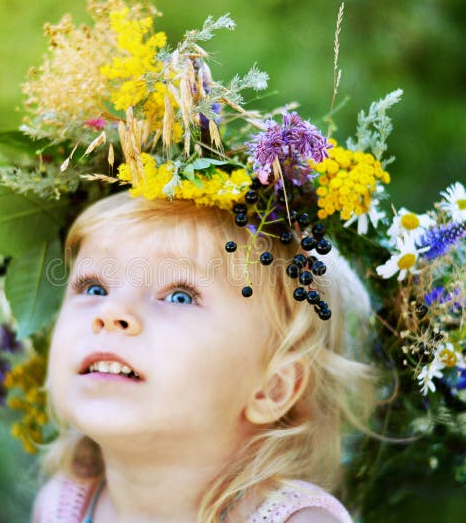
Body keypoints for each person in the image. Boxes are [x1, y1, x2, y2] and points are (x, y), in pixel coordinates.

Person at [32, 191, 377, 523]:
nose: (111, 311)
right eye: (93, 288)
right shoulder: (61, 508)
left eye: (180, 296)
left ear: (271, 387)